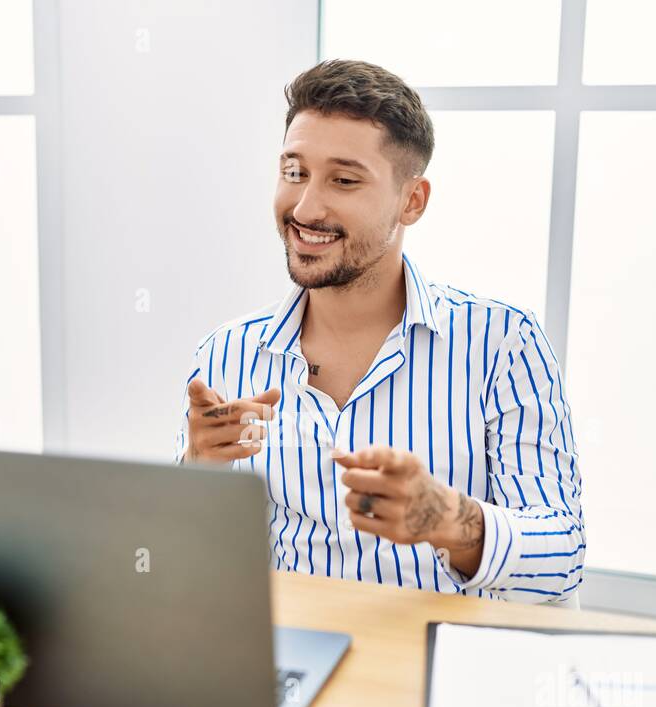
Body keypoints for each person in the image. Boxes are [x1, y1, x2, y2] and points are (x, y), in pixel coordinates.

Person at [176, 59, 584, 604]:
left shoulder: (503, 344)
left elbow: (563, 558)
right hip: (285, 647)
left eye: (343, 180)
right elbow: (184, 564)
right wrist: (199, 470)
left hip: (434, 650)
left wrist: (449, 520)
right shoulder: (226, 353)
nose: (305, 207)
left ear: (412, 200)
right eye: (294, 172)